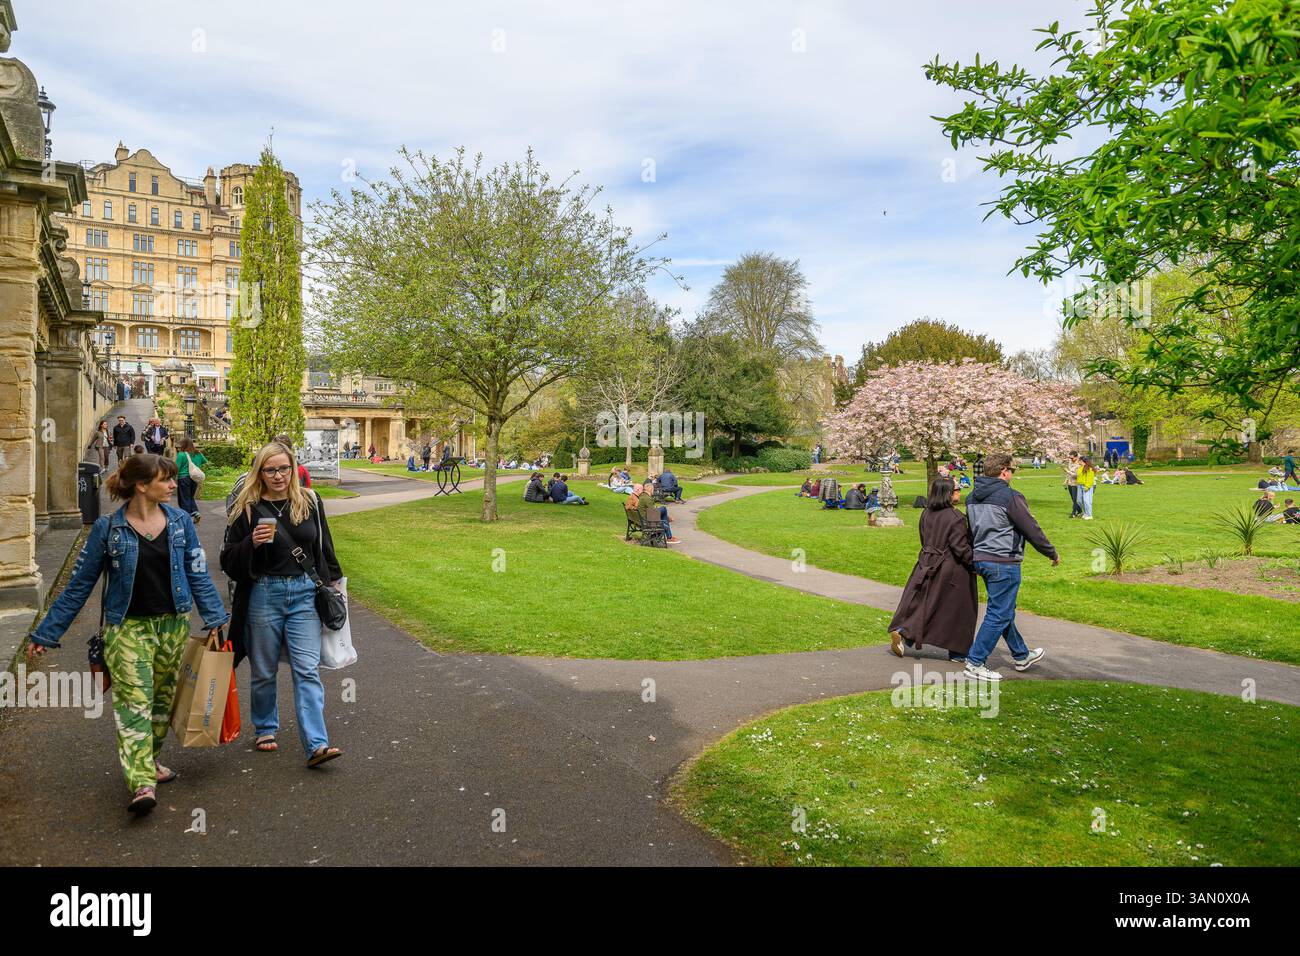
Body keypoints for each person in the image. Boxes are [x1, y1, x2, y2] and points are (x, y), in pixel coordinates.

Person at [26, 453, 228, 814]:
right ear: (141, 485)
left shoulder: (181, 522)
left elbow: (197, 573)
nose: (172, 485)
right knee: (135, 703)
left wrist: (214, 617)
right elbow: (79, 585)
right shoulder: (109, 529)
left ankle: (149, 761)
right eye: (165, 480)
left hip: (172, 626)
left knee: (161, 705)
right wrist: (46, 633)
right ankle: (141, 782)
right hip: (127, 630)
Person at [220, 442, 343, 769]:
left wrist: (335, 586)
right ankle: (265, 726)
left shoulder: (310, 502)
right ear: (259, 472)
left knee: (307, 669)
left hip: (304, 593)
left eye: (284, 468)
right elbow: (227, 560)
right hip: (263, 594)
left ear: (293, 468)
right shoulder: (247, 507)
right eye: (270, 469)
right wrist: (251, 543)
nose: (278, 476)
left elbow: (324, 548)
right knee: (263, 670)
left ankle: (317, 744)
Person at [963, 454, 1058, 681]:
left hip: (982, 558)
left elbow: (970, 530)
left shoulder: (971, 498)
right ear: (1004, 471)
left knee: (1003, 609)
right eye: (1012, 470)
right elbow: (1030, 527)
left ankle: (1021, 655)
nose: (1013, 475)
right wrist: (1050, 552)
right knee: (999, 612)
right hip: (1003, 560)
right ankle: (975, 662)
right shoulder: (1010, 496)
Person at [888, 477, 977, 663]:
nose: (959, 492)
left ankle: (905, 633)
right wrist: (975, 564)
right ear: (947, 493)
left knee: (926, 604)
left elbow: (924, 537)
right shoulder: (956, 517)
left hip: (926, 562)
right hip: (951, 568)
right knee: (958, 610)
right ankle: (958, 652)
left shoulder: (926, 513)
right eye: (956, 490)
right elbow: (960, 548)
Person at [174, 436, 208, 524]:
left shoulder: (181, 454)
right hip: (194, 478)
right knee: (189, 497)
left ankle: (186, 517)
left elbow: (176, 468)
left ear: (183, 445)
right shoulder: (197, 453)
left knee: (184, 498)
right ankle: (195, 512)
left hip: (183, 478)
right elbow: (205, 461)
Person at [1077, 455, 1097, 520]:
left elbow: (1090, 479)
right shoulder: (1080, 468)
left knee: (1086, 501)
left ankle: (1089, 515)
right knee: (1079, 501)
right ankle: (1085, 512)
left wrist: (1087, 486)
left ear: (1082, 461)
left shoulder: (1089, 469)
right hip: (1080, 485)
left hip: (1086, 486)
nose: (1078, 461)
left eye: (1079, 460)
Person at [1062, 452, 1082, 517]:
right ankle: (1080, 511)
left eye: (1072, 458)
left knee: (1075, 499)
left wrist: (1067, 471)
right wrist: (1066, 481)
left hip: (1076, 483)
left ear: (1076, 457)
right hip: (1070, 482)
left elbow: (1076, 475)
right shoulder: (1070, 463)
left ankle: (1073, 513)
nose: (1071, 459)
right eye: (1070, 458)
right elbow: (1069, 474)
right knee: (1073, 499)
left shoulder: (1079, 464)